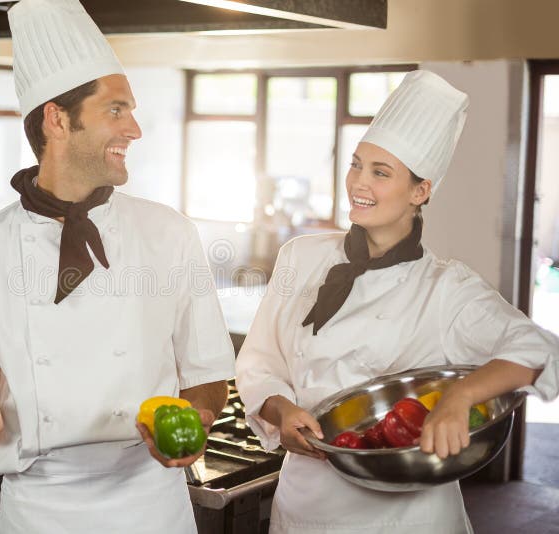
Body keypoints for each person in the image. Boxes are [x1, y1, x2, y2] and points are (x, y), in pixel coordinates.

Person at [0, 1, 235, 532]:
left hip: (152, 506)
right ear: (57, 118)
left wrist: (196, 423)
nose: (134, 128)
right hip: (40, 509)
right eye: (116, 110)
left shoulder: (170, 233)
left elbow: (207, 375)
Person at [235, 70, 559, 534]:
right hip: (303, 504)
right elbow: (259, 364)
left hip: (403, 517)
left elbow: (539, 350)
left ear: (420, 191)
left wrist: (460, 395)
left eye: (380, 172)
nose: (358, 183)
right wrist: (282, 411)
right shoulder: (300, 257)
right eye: (356, 164)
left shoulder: (446, 287)